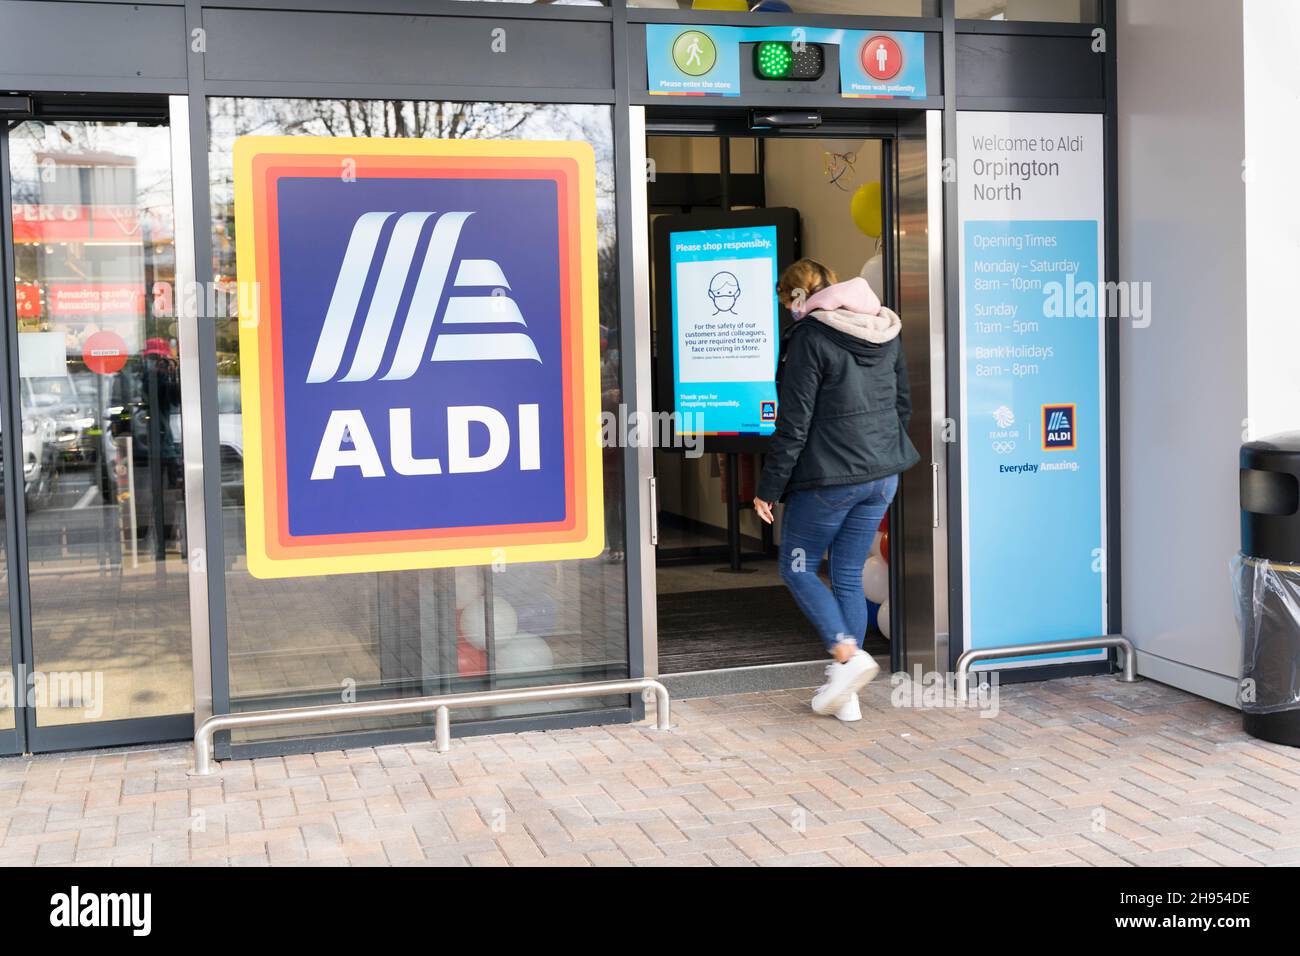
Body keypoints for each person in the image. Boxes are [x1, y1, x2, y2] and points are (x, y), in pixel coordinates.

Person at [754, 259, 919, 721]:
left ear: (795, 299)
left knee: (796, 566)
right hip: (882, 475)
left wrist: (768, 487)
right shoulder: (882, 327)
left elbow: (794, 422)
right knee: (846, 571)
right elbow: (901, 403)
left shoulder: (809, 337)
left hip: (831, 479)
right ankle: (847, 697)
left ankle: (847, 656)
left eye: (785, 301)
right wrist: (877, 452)